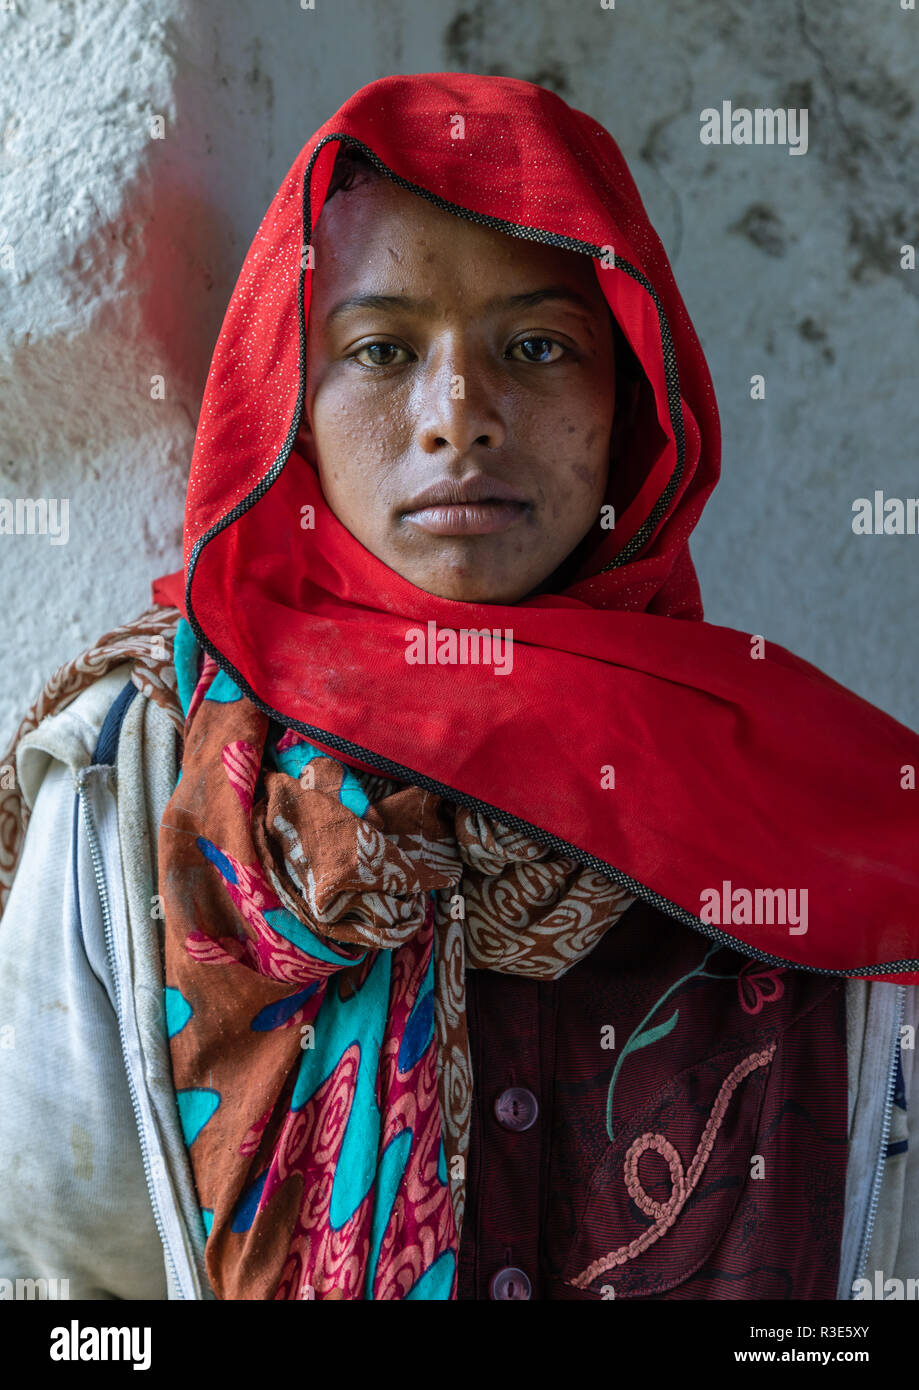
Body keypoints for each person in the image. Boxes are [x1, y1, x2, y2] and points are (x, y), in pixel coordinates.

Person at [0, 71, 917, 1303]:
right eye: (380, 349)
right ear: (291, 402)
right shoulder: (139, 780)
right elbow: (58, 1284)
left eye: (536, 347)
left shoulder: (816, 805)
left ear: (633, 402)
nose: (458, 419)